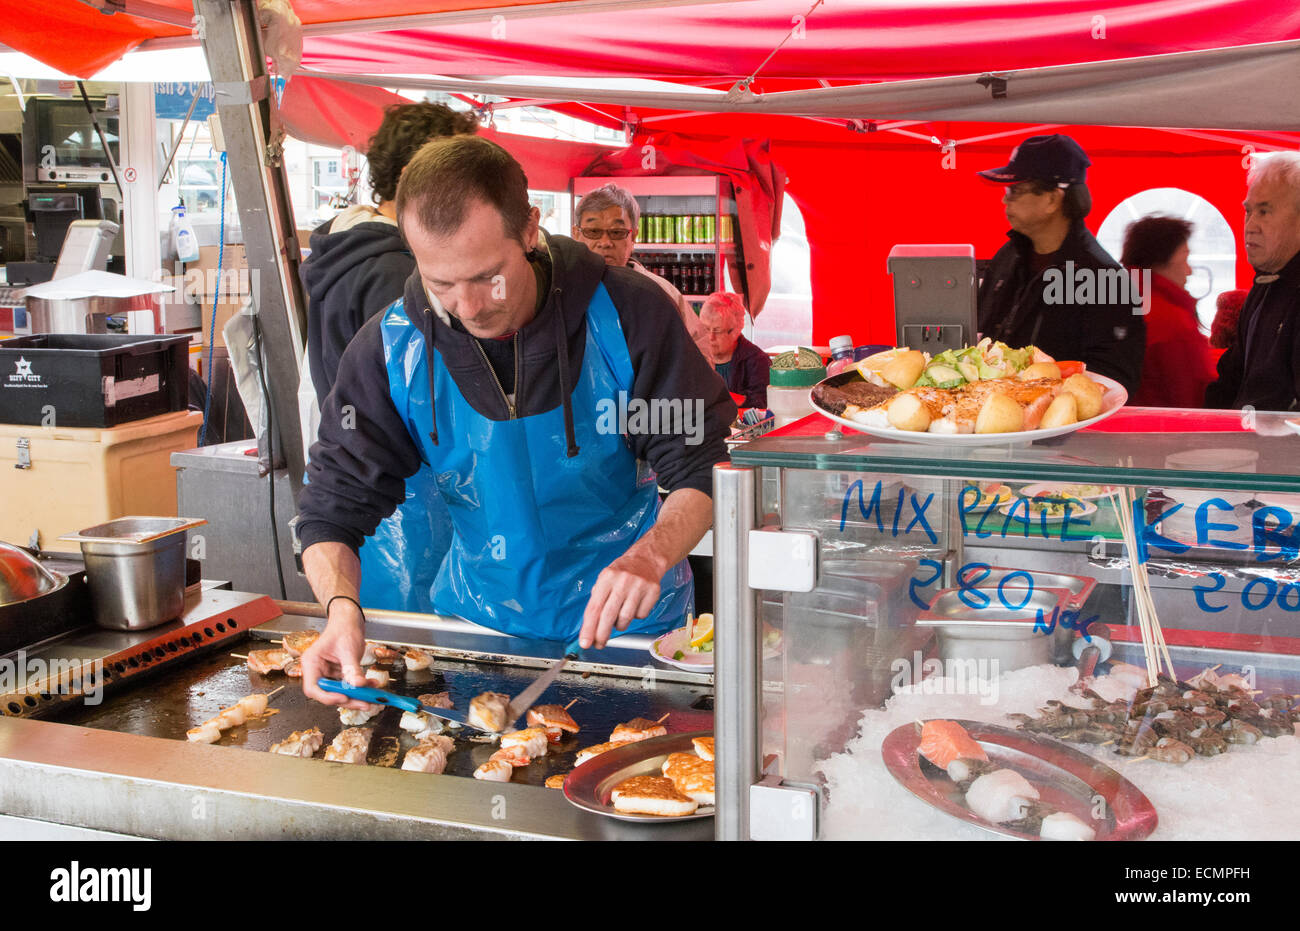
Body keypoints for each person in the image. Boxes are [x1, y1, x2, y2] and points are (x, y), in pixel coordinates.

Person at [296, 136, 735, 706]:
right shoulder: (391, 345)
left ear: (530, 228)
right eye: (442, 283)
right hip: (480, 634)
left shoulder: (629, 314)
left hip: (633, 627)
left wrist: (650, 556)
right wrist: (339, 610)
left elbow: (706, 467)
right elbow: (331, 505)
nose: (469, 307)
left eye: (486, 276)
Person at [297, 102, 477, 614]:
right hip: (406, 496)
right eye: (454, 174)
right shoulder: (394, 273)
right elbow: (426, 396)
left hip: (373, 491)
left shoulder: (343, 249)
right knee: (421, 659)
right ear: (409, 177)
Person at [976, 134, 1145, 394]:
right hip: (995, 416)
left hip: (1061, 428)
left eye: (1015, 190)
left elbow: (1113, 380)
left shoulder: (1105, 280)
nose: (1005, 199)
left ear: (1053, 200)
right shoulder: (1006, 257)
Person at [1206, 152, 1300, 411]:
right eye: (1249, 211)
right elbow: (1232, 379)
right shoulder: (1265, 284)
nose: (1251, 225)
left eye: (1265, 211)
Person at [572, 182, 708, 350]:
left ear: (633, 236)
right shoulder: (562, 290)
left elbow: (700, 352)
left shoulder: (662, 292)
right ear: (576, 234)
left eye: (616, 232)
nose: (605, 242)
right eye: (593, 232)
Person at [1120, 216, 1217, 408]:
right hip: (1163, 431)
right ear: (1160, 262)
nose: (1189, 271)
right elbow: (1188, 400)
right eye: (1184, 258)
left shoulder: (1116, 300)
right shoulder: (1170, 322)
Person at [697, 291, 771, 408]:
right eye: (706, 329)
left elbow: (763, 402)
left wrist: (724, 397)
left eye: (717, 331)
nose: (710, 337)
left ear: (735, 331)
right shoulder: (695, 356)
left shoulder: (757, 360)